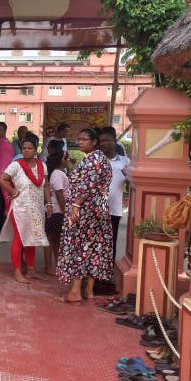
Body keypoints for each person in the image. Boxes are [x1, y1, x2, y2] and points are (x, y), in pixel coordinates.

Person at [55, 127, 114, 305]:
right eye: (79, 139)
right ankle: (88, 289)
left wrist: (75, 206)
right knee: (95, 248)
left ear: (94, 142)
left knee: (79, 247)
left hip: (85, 210)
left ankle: (75, 292)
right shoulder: (102, 159)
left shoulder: (92, 160)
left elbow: (87, 185)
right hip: (98, 210)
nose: (79, 142)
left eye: (84, 139)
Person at [0, 135, 50, 284]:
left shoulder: (42, 165)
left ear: (36, 150)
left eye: (30, 148)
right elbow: (2, 180)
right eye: (24, 148)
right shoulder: (16, 165)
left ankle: (31, 270)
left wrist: (49, 203)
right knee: (19, 239)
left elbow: (46, 185)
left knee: (31, 238)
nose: (26, 151)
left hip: (37, 208)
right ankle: (17, 272)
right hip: (20, 207)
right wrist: (13, 191)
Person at [96, 126, 131, 294]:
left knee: (110, 246)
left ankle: (106, 278)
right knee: (95, 246)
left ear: (114, 142)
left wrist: (128, 176)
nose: (103, 144)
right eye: (101, 141)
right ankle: (93, 279)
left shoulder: (125, 161)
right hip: (95, 211)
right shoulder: (95, 160)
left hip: (114, 211)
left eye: (106, 140)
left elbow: (133, 185)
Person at [44, 151, 68, 274]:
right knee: (51, 239)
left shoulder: (59, 172)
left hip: (57, 210)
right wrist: (64, 210)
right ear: (62, 160)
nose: (68, 161)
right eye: (66, 158)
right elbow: (59, 193)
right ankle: (48, 266)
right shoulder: (58, 174)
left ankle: (56, 265)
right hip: (56, 210)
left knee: (57, 239)